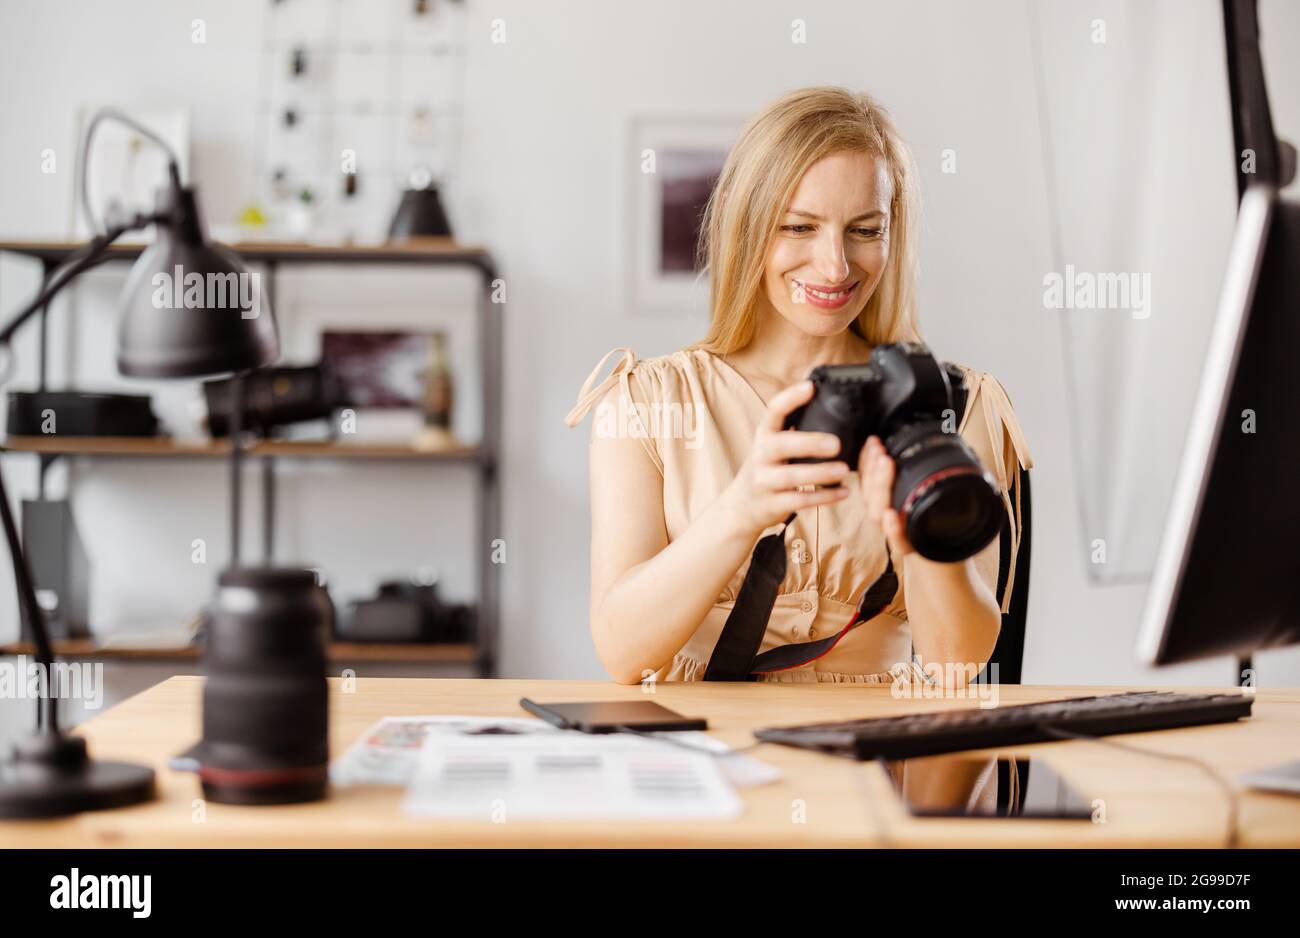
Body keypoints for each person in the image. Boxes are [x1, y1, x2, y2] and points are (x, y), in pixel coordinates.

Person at [566, 87, 1032, 687]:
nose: (835, 265)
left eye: (865, 230)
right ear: (747, 225)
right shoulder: (647, 403)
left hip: (874, 758)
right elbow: (623, 651)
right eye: (799, 227)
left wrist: (917, 547)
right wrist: (741, 510)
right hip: (700, 751)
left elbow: (955, 667)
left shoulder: (950, 405)